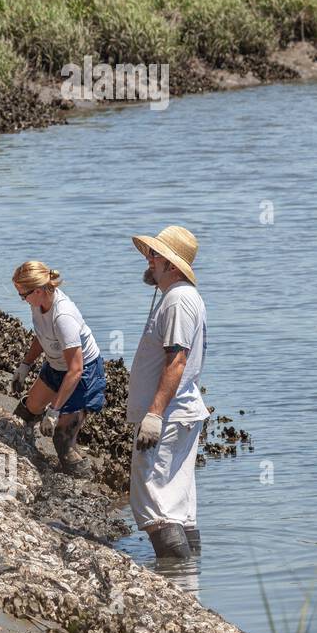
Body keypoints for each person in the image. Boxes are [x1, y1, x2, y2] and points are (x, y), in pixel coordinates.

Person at [127, 226, 207, 559]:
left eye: (155, 255)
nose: (148, 259)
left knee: (156, 505)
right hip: (179, 413)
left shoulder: (177, 300)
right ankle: (189, 587)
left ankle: (172, 584)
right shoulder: (177, 298)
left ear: (171, 264)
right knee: (179, 508)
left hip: (169, 417)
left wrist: (154, 415)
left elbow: (176, 361)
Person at [9, 261, 107, 476]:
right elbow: (42, 335)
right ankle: (28, 456)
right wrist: (25, 365)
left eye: (23, 295)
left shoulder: (64, 317)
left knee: (62, 438)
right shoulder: (38, 303)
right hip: (56, 366)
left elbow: (76, 369)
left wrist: (54, 411)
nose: (22, 300)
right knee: (23, 415)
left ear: (38, 290)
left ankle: (83, 484)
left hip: (82, 375)